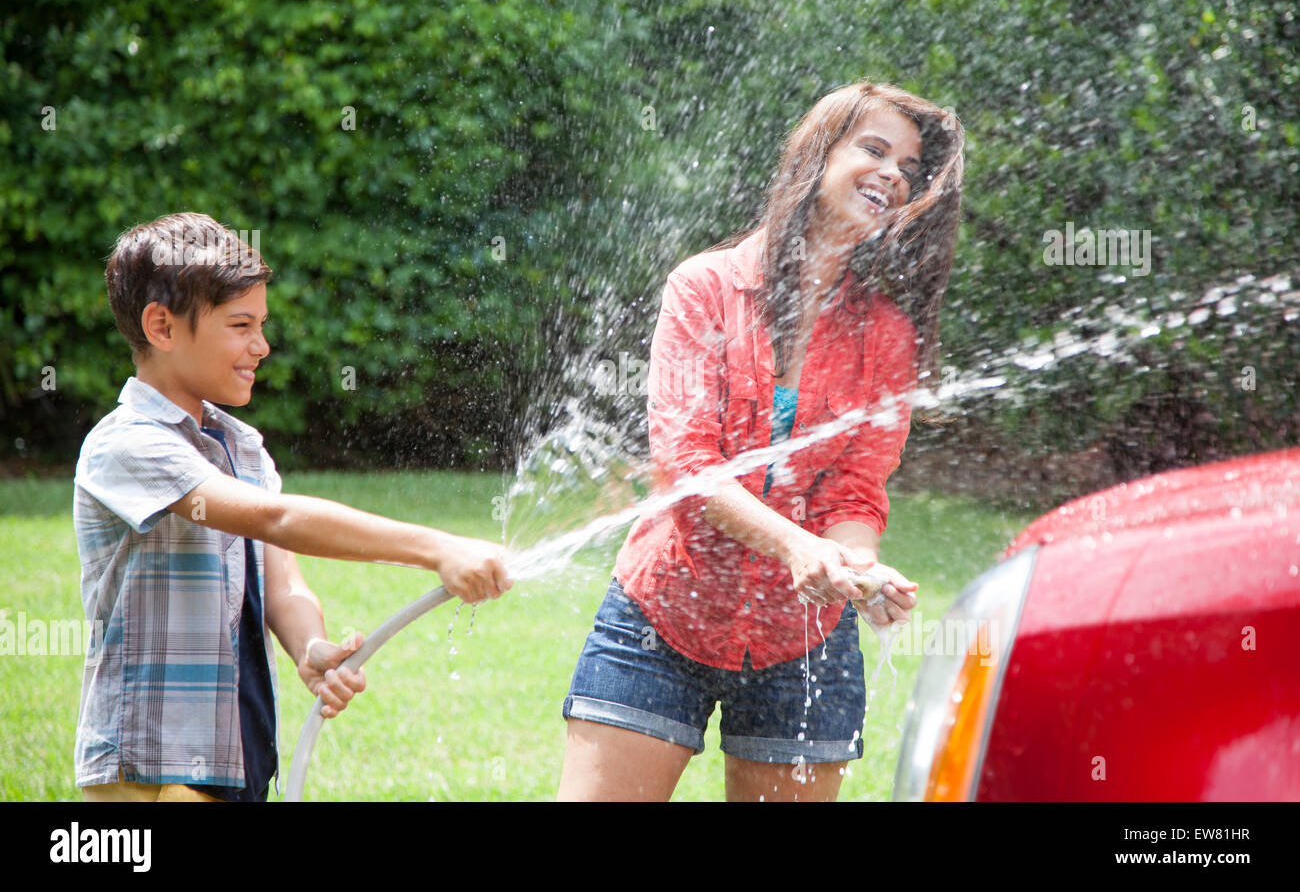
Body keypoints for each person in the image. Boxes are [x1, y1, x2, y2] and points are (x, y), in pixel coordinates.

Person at [558, 81, 964, 801]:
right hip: (663, 616)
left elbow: (855, 488)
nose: (893, 175)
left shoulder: (887, 335)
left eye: (907, 168)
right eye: (873, 149)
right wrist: (798, 547)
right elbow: (687, 466)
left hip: (804, 642)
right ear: (818, 154)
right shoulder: (705, 288)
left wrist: (856, 569)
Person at [74, 212, 511, 801]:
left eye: (262, 324)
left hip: (239, 756)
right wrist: (438, 548)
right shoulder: (126, 444)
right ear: (162, 326)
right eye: (240, 325)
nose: (262, 345)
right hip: (154, 769)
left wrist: (310, 647)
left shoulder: (244, 449)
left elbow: (282, 585)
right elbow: (274, 518)